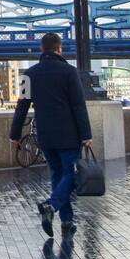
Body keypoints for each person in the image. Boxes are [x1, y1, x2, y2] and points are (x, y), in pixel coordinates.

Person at [10, 31, 93, 238]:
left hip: (45, 136)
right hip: (69, 134)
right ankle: (51, 206)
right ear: (59, 49)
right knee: (71, 175)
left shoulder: (29, 75)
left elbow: (22, 107)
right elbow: (78, 106)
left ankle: (67, 222)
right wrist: (86, 134)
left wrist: (15, 134)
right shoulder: (69, 72)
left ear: (41, 49)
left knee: (57, 174)